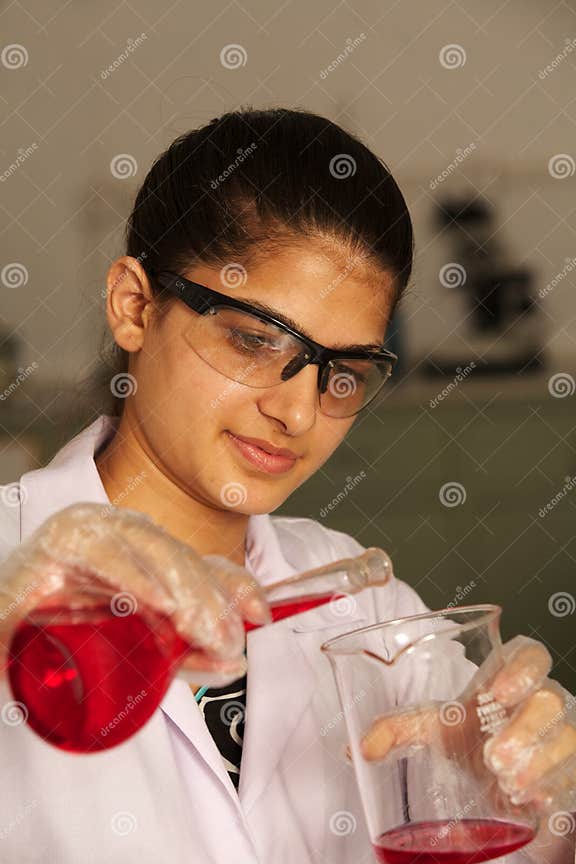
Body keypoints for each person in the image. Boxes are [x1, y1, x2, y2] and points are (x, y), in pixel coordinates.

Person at [0, 106, 574, 863]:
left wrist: (541, 792)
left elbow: (515, 834)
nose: (298, 412)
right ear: (134, 306)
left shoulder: (367, 613)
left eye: (343, 372)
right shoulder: (13, 578)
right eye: (253, 340)